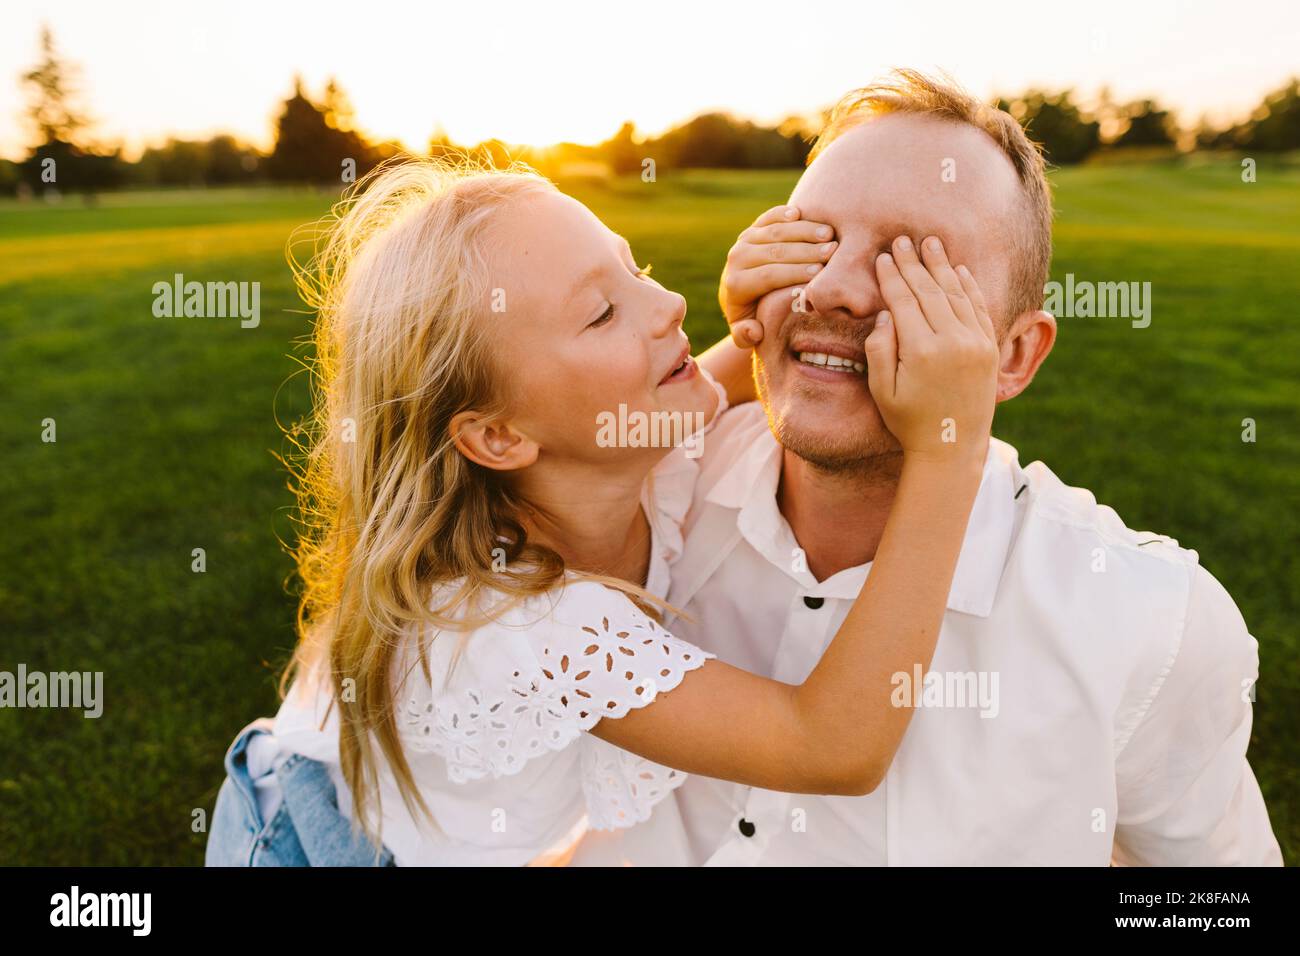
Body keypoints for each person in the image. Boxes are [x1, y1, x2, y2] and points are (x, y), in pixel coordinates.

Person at [206, 156, 1001, 865]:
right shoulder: (512, 625)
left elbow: (711, 384)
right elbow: (832, 746)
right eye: (601, 313)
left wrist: (753, 319)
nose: (667, 302)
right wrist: (947, 450)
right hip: (311, 840)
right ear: (497, 434)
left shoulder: (620, 456)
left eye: (637, 269)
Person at [574, 70, 1282, 866]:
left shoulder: (1149, 621)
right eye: (809, 240)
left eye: (914, 265)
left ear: (1014, 356)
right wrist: (752, 335)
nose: (831, 288)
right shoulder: (638, 490)